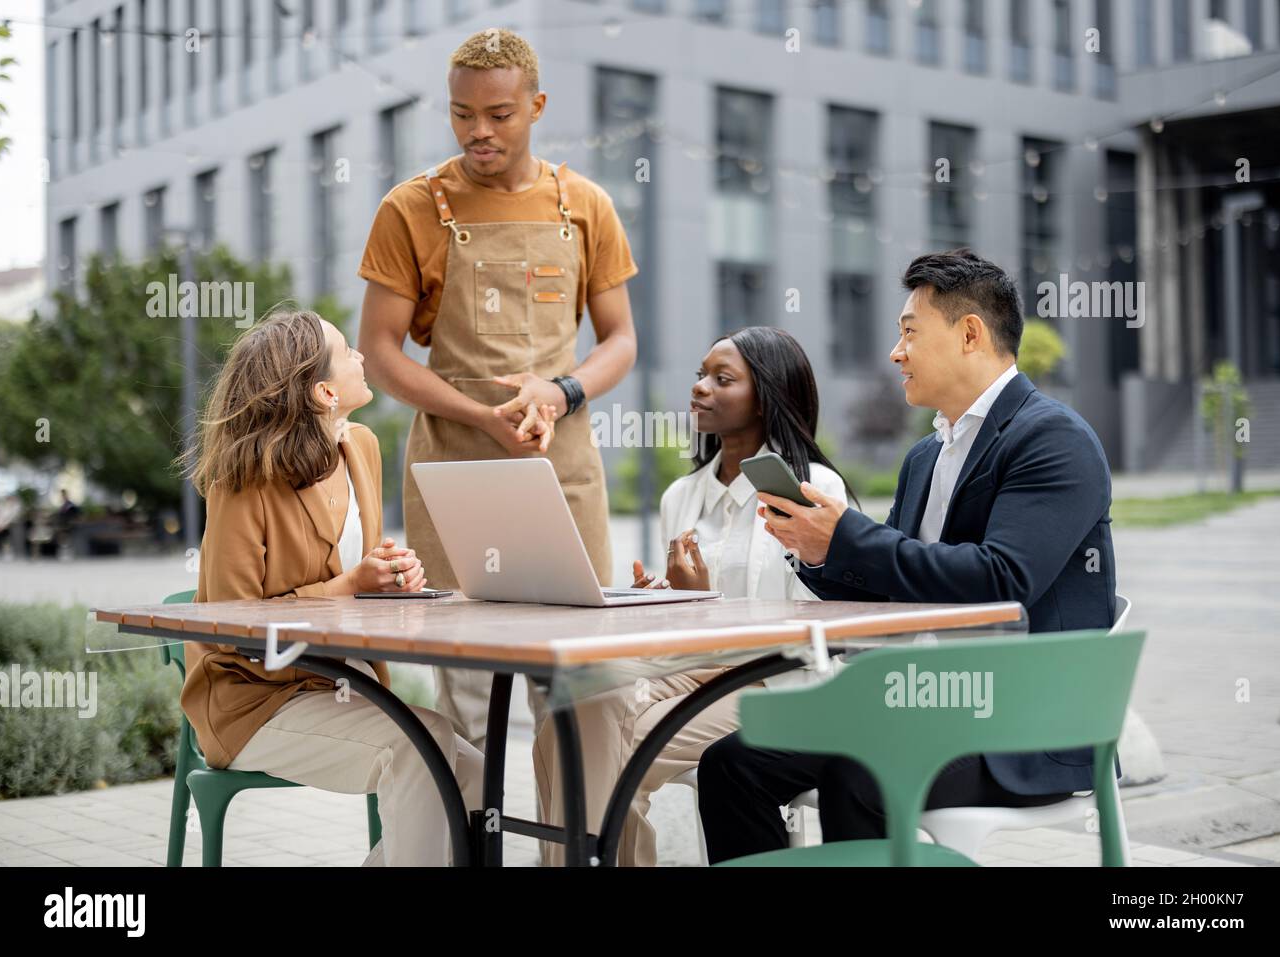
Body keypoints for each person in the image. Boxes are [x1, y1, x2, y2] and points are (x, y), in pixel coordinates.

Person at [698, 249, 1118, 863]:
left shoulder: (1053, 439)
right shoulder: (927, 456)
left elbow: (1001, 582)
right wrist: (813, 549)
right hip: (917, 699)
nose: (896, 353)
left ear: (969, 333)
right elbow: (889, 585)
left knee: (860, 774)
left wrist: (847, 536)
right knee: (734, 764)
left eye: (909, 332)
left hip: (1016, 724)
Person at [358, 28, 638, 750]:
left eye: (499, 115)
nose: (477, 132)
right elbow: (379, 353)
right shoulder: (410, 209)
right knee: (473, 695)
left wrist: (561, 392)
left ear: (537, 106)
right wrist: (481, 415)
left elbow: (621, 341)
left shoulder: (587, 206)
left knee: (581, 691)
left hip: (563, 468)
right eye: (461, 115)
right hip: (459, 469)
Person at [533, 327, 854, 865]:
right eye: (700, 375)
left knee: (615, 748)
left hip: (777, 679)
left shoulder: (813, 490)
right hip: (691, 668)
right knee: (570, 715)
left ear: (767, 397)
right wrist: (664, 600)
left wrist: (706, 604)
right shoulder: (681, 496)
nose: (700, 388)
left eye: (721, 379)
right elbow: (686, 627)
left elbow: (817, 622)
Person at [179, 309, 483, 866]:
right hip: (254, 703)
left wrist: (392, 577)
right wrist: (350, 584)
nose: (362, 357)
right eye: (348, 352)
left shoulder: (360, 447)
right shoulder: (244, 479)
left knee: (480, 780)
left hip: (346, 688)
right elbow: (230, 623)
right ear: (323, 391)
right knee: (419, 750)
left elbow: (356, 575)